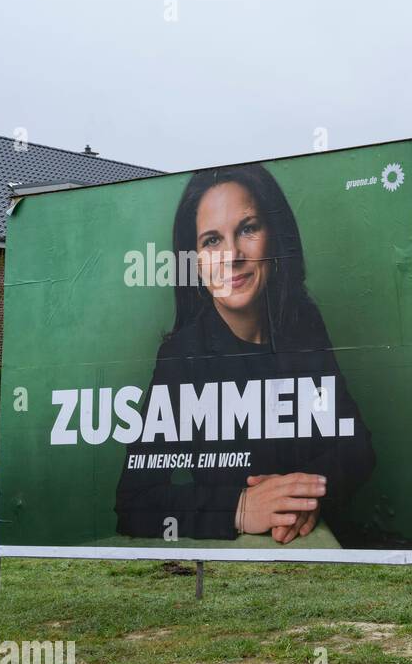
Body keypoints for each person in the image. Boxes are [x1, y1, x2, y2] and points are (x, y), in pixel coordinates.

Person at [115, 163, 376, 545]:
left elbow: (357, 446)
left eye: (248, 228)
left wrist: (299, 498)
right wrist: (238, 507)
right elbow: (134, 502)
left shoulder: (303, 324)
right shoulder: (181, 358)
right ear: (194, 260)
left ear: (275, 236)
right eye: (211, 241)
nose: (232, 255)